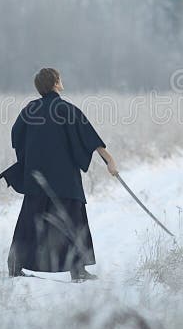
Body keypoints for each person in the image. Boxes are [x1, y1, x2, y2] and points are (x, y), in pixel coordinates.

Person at [7, 67, 118, 281]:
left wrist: (30, 157)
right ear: (56, 83)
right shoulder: (67, 109)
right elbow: (90, 138)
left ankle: (14, 266)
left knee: (29, 220)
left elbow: (16, 135)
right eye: (59, 78)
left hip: (36, 177)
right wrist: (110, 161)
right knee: (73, 221)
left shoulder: (30, 109)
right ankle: (78, 270)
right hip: (65, 179)